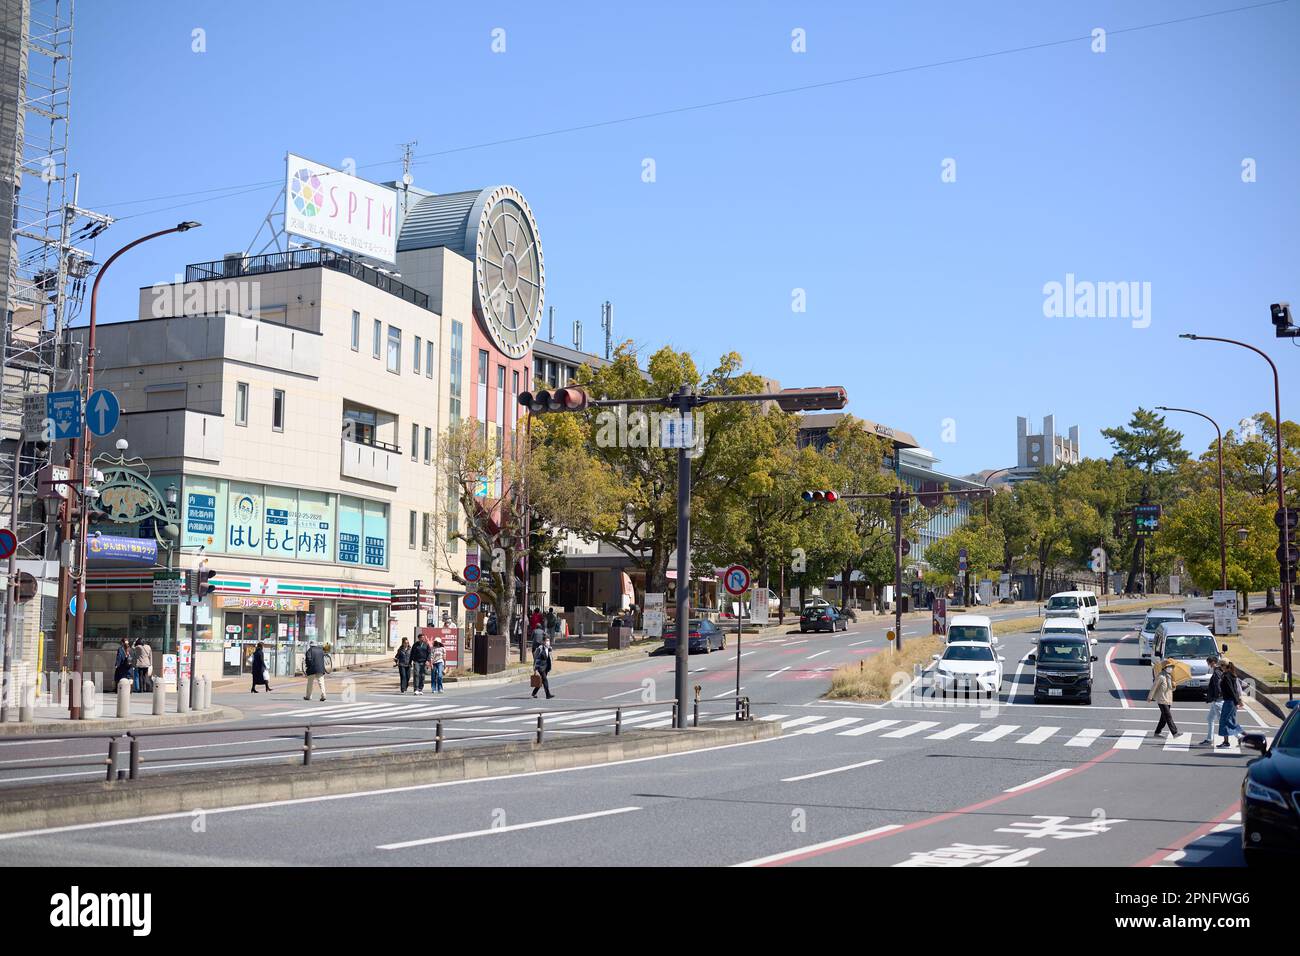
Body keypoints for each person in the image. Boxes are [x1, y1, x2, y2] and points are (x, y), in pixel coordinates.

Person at [1148, 661, 1179, 738]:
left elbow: (1171, 689)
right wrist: (1150, 697)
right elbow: (1154, 687)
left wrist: (1174, 685)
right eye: (1169, 667)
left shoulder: (1170, 676)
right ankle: (1175, 733)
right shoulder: (1160, 676)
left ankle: (1157, 732)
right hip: (1162, 699)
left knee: (1164, 718)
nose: (1171, 668)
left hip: (1168, 699)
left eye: (1171, 667)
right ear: (1165, 668)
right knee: (1168, 716)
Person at [1218, 661, 1244, 747]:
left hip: (1229, 701)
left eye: (1221, 665)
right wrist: (1238, 700)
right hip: (1230, 701)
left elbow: (1231, 690)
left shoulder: (1227, 676)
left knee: (1225, 721)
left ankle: (1244, 736)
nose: (1220, 667)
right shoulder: (1231, 675)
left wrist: (1237, 701)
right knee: (1228, 721)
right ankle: (1226, 742)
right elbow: (1235, 689)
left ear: (1225, 666)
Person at [1200, 657, 1222, 746]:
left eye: (1208, 663)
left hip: (1218, 700)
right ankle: (1209, 739)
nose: (1208, 665)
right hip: (1216, 700)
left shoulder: (1216, 672)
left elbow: (1217, 686)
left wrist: (1216, 697)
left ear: (1213, 662)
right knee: (1210, 719)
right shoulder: (1218, 671)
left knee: (1223, 721)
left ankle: (1239, 736)